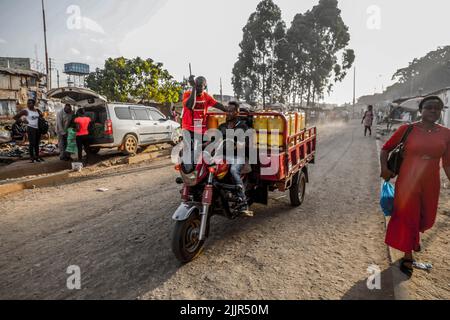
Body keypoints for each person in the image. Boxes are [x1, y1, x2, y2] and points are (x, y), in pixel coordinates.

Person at [380, 96, 450, 277]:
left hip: (431, 181)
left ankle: (413, 237)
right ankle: (408, 256)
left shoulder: (446, 134)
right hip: (408, 181)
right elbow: (386, 148)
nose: (433, 111)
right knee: (408, 216)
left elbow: (448, 163)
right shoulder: (408, 129)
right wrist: (385, 169)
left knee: (426, 217)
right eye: (429, 107)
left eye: (437, 108)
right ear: (421, 110)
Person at [218, 102, 253, 217]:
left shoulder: (242, 126)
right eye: (227, 110)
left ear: (237, 113)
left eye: (231, 111)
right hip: (224, 156)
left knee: (233, 171)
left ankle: (243, 203)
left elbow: (248, 141)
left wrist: (239, 144)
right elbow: (213, 140)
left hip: (238, 156)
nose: (228, 113)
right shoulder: (222, 126)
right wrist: (201, 146)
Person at [14, 99, 44, 163]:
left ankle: (37, 157)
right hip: (31, 128)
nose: (28, 104)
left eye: (30, 103)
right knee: (32, 143)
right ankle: (32, 158)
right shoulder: (25, 111)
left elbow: (41, 117)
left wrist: (41, 116)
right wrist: (22, 120)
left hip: (38, 129)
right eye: (28, 103)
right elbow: (15, 117)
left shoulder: (37, 110)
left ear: (34, 104)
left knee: (37, 144)